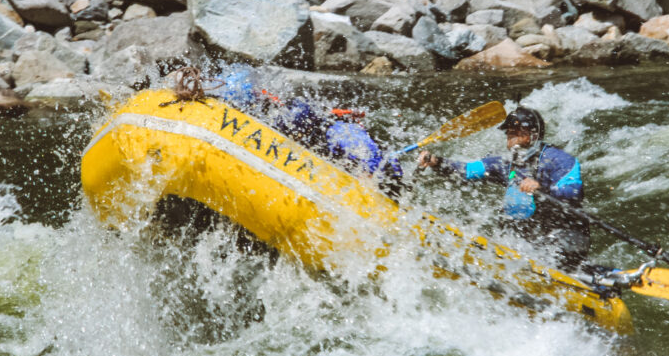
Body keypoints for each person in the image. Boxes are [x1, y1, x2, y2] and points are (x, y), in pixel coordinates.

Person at [417, 106, 590, 269]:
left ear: (534, 134)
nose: (510, 135)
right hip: (532, 238)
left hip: (564, 238)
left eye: (516, 131)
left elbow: (574, 192)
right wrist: (437, 162)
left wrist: (543, 189)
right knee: (507, 224)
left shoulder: (561, 160)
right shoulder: (505, 162)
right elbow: (467, 171)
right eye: (509, 132)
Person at [207, 66, 405, 196]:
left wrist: (367, 176)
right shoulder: (273, 120)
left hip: (386, 183)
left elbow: (367, 154)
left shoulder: (336, 131)